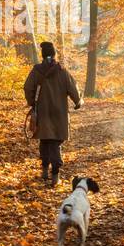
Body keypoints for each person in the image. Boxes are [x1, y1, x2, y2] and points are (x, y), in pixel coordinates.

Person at [24, 41, 82, 187]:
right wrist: (78, 102)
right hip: (59, 113)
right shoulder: (62, 71)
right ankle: (55, 175)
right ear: (54, 54)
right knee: (56, 143)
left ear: (42, 55)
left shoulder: (36, 71)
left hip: (42, 112)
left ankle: (44, 171)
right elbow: (73, 88)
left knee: (44, 141)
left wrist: (32, 103)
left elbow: (27, 87)